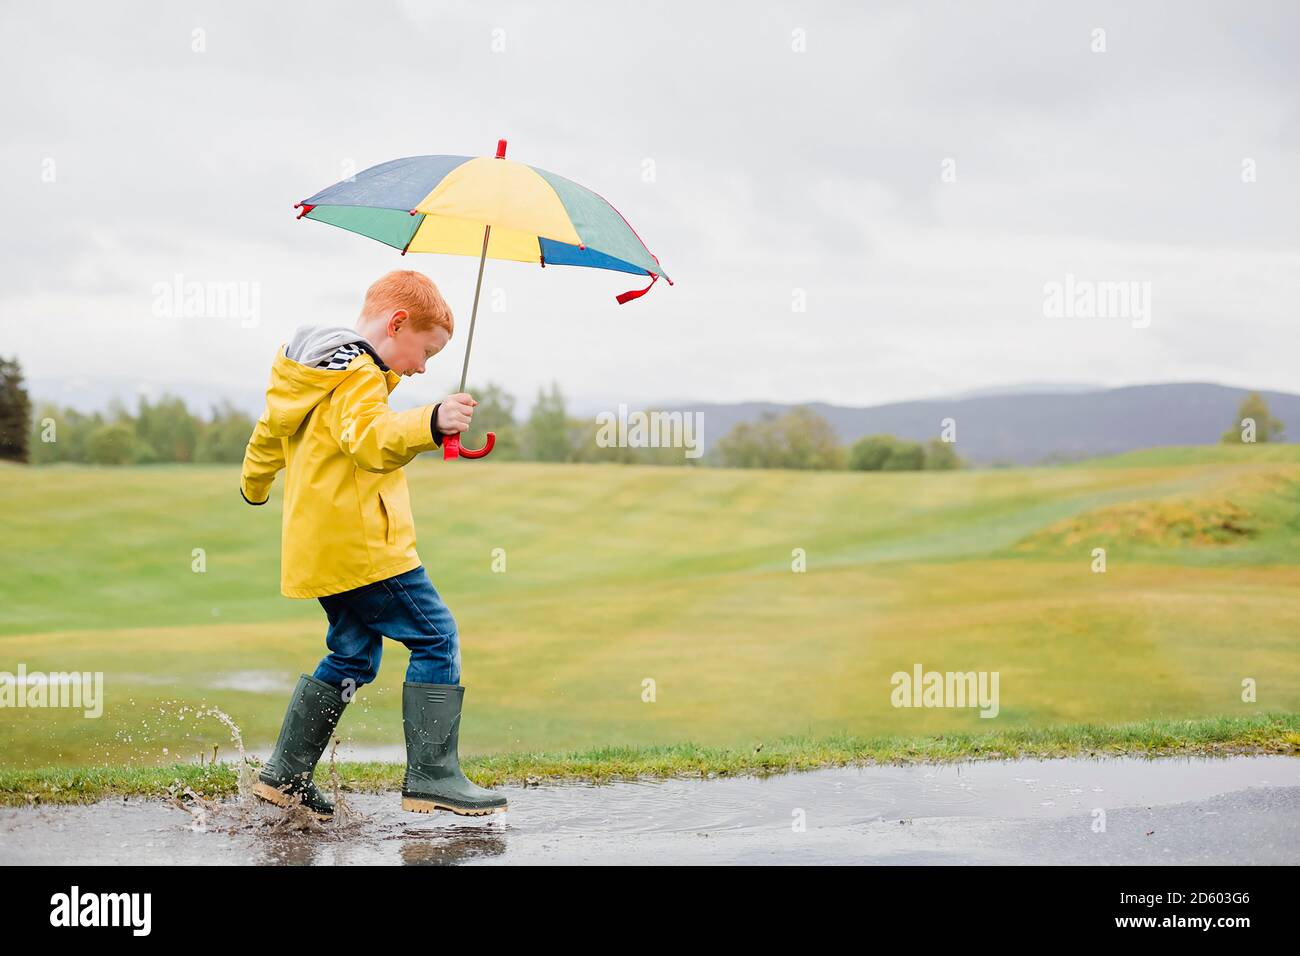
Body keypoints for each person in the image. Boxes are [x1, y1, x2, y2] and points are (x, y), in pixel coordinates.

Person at [240, 269, 506, 819]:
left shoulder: (309, 373)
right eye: (424, 350)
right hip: (366, 551)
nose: (422, 366)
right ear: (398, 322)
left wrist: (255, 485)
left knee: (352, 654)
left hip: (322, 551)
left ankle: (286, 775)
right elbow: (370, 440)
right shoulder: (360, 375)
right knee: (437, 636)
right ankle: (433, 777)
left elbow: (269, 432)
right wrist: (432, 421)